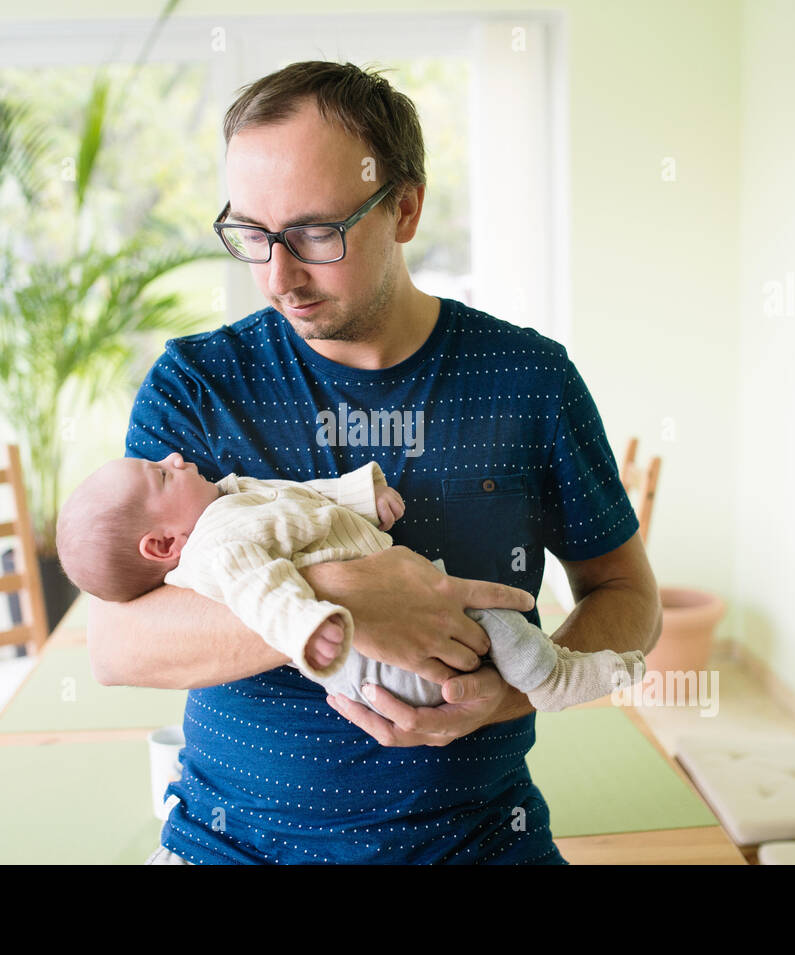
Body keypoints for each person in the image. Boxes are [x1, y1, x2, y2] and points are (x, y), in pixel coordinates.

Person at [87, 60, 662, 865]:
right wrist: (344, 598)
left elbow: (629, 592)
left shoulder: (529, 380)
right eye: (251, 234)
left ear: (405, 206)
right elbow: (118, 645)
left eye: (316, 232)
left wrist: (505, 694)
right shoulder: (197, 385)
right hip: (232, 847)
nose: (277, 275)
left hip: (480, 844)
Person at [56, 455, 646, 714]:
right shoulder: (221, 546)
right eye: (162, 473)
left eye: (316, 232)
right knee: (496, 627)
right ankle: (555, 678)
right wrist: (324, 612)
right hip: (364, 662)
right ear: (162, 545)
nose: (176, 456)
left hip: (479, 813)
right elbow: (263, 592)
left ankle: (533, 680)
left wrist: (360, 497)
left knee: (484, 633)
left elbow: (298, 498)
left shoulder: (227, 501)